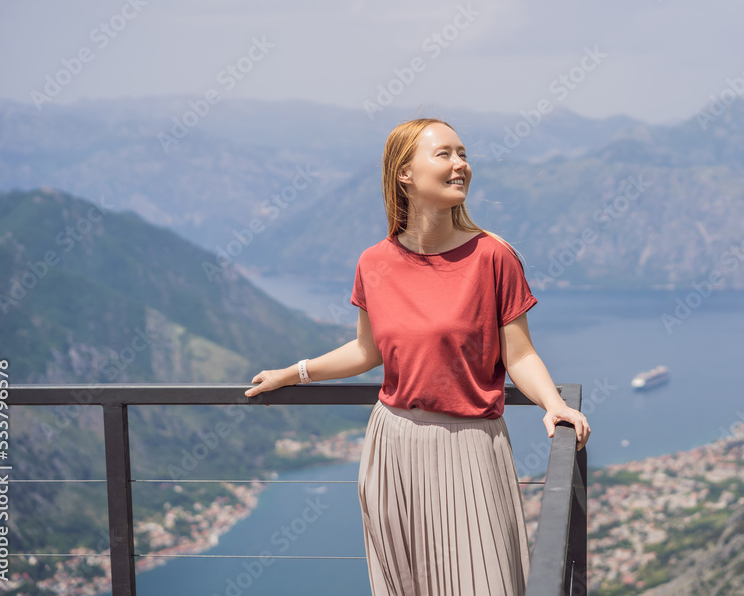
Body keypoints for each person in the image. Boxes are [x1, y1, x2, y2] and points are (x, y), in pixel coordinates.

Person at [244, 117, 590, 595]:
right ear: (404, 173)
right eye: (444, 154)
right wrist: (294, 373)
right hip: (393, 446)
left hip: (471, 446)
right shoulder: (375, 262)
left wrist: (554, 405)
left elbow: (520, 353)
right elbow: (368, 350)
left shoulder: (493, 257)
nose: (460, 165)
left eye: (463, 154)